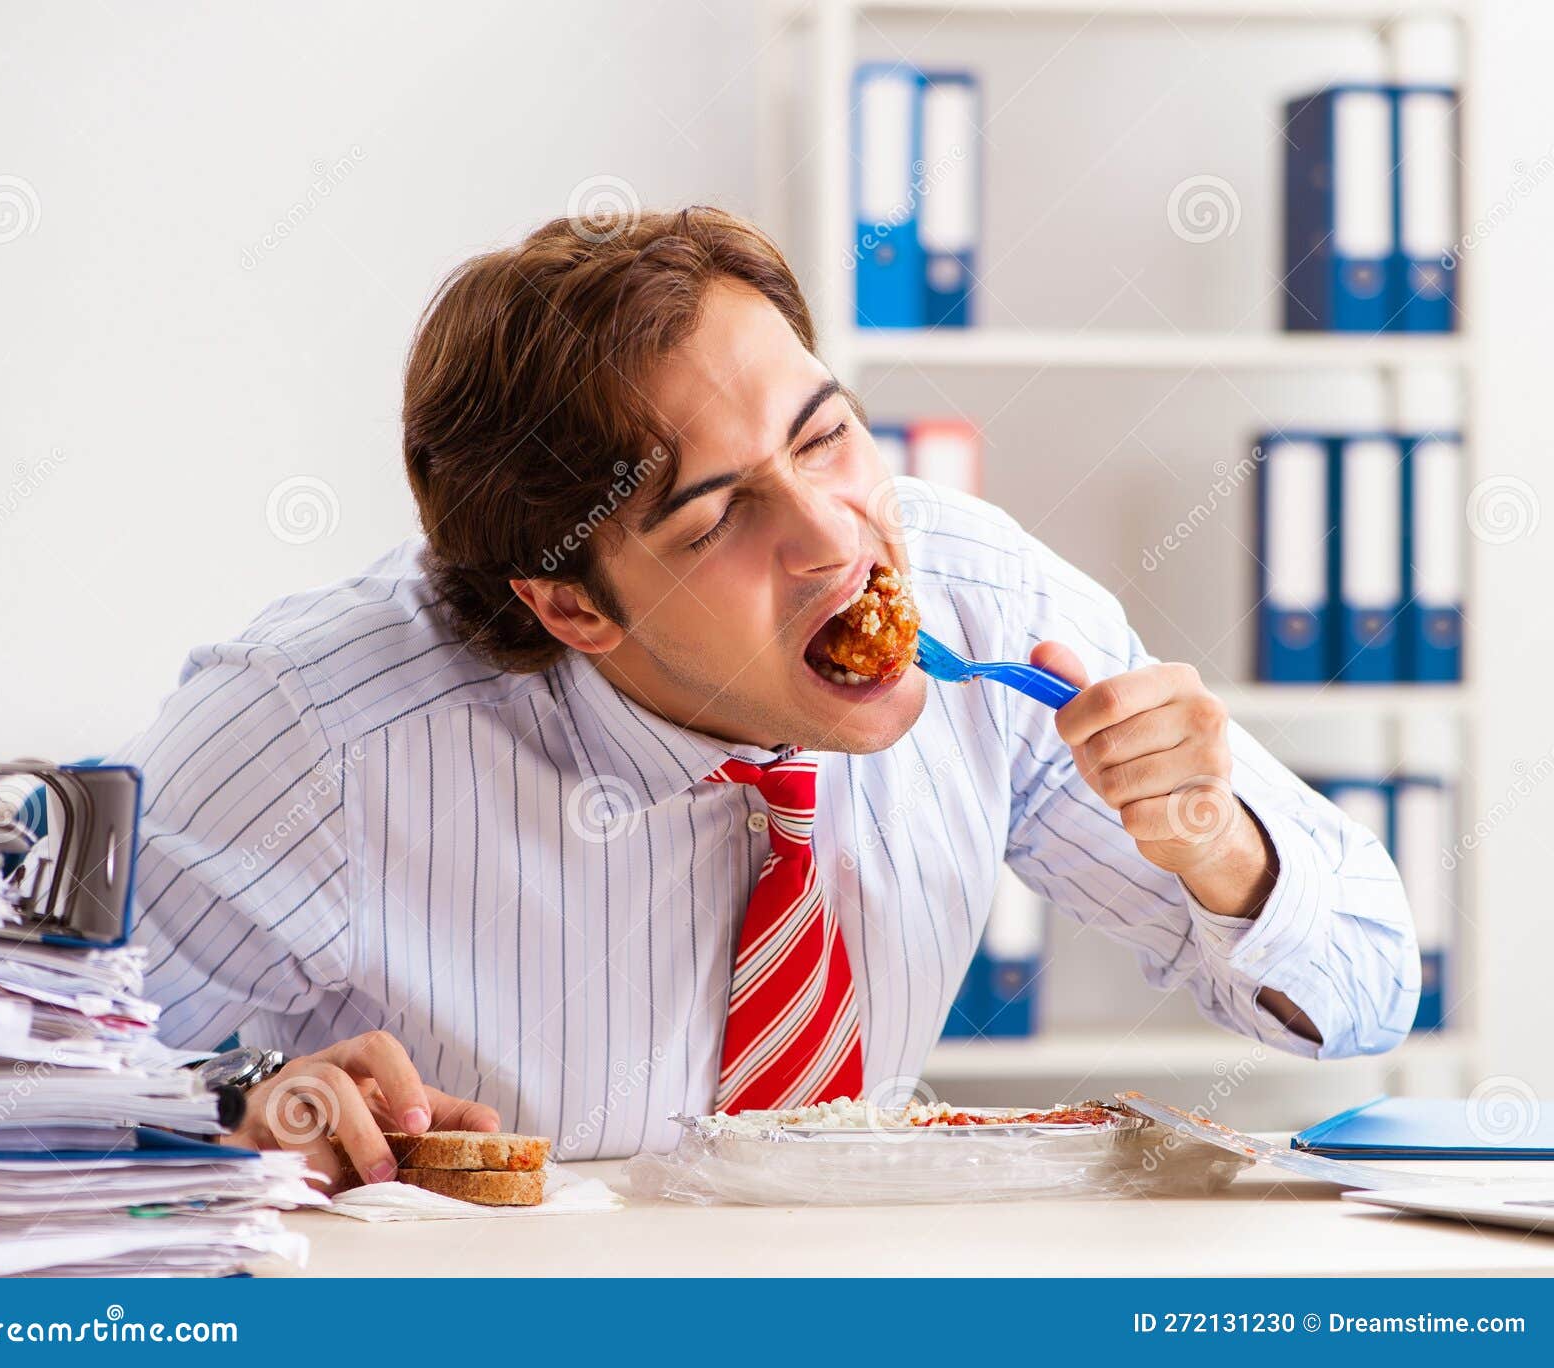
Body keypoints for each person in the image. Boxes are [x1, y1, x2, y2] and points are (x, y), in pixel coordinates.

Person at [110, 206, 1418, 1183]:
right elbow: (1, 1096)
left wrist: (1221, 849)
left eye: (825, 436)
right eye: (720, 510)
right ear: (573, 604)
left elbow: (1366, 987)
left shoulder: (986, 604)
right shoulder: (308, 737)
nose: (837, 539)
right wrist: (245, 1104)